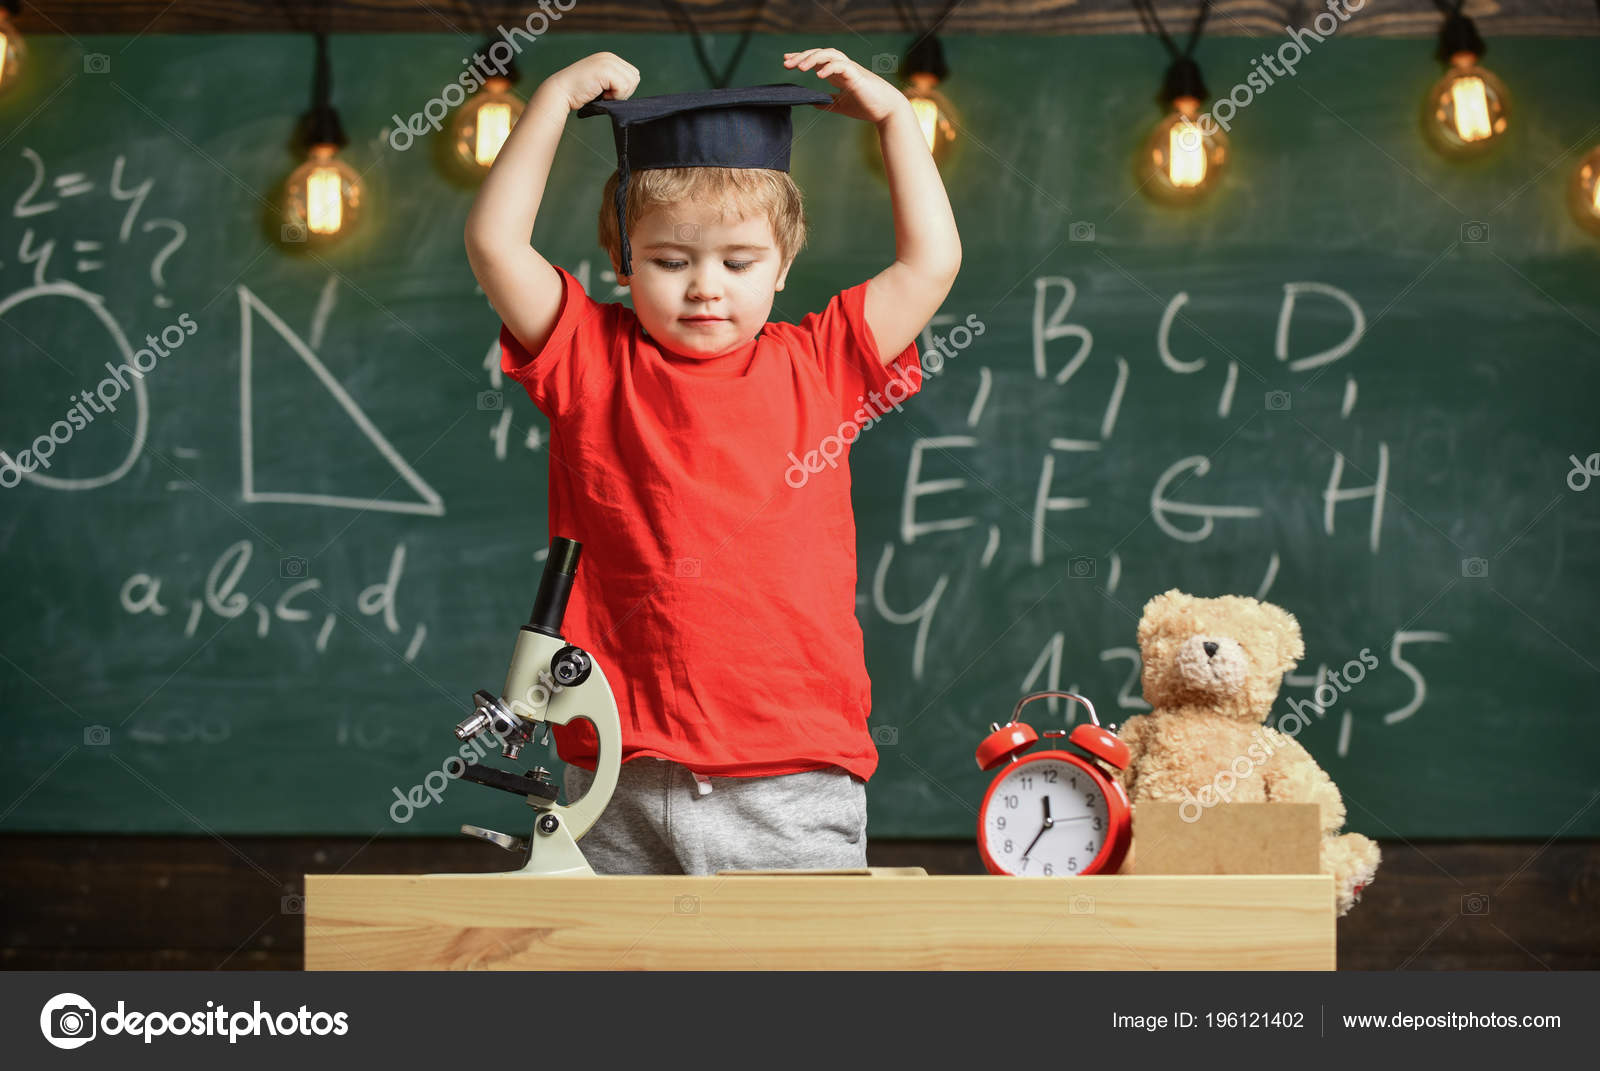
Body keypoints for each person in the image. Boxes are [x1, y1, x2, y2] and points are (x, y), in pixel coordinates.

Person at [463, 47, 961, 874]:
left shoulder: (824, 362)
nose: (705, 287)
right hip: (616, 768)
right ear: (623, 259)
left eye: (739, 261)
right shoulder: (589, 357)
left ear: (784, 265)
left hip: (791, 776)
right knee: (616, 961)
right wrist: (549, 101)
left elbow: (930, 264)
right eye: (670, 261)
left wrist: (895, 119)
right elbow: (493, 242)